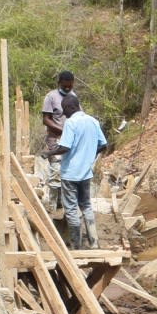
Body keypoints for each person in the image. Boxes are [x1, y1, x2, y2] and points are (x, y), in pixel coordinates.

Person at [55, 104, 107, 248]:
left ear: (70, 108)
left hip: (70, 174)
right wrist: (90, 154)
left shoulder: (71, 123)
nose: (64, 114)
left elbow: (65, 147)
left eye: (64, 111)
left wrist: (50, 153)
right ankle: (94, 242)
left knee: (71, 209)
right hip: (85, 173)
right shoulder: (93, 121)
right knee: (86, 206)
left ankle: (75, 245)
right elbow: (103, 144)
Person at [39, 71, 76, 161]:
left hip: (70, 139)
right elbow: (46, 120)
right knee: (56, 169)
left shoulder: (73, 96)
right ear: (59, 83)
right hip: (56, 139)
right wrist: (64, 131)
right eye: (64, 86)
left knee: (69, 168)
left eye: (69, 86)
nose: (67, 88)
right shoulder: (51, 97)